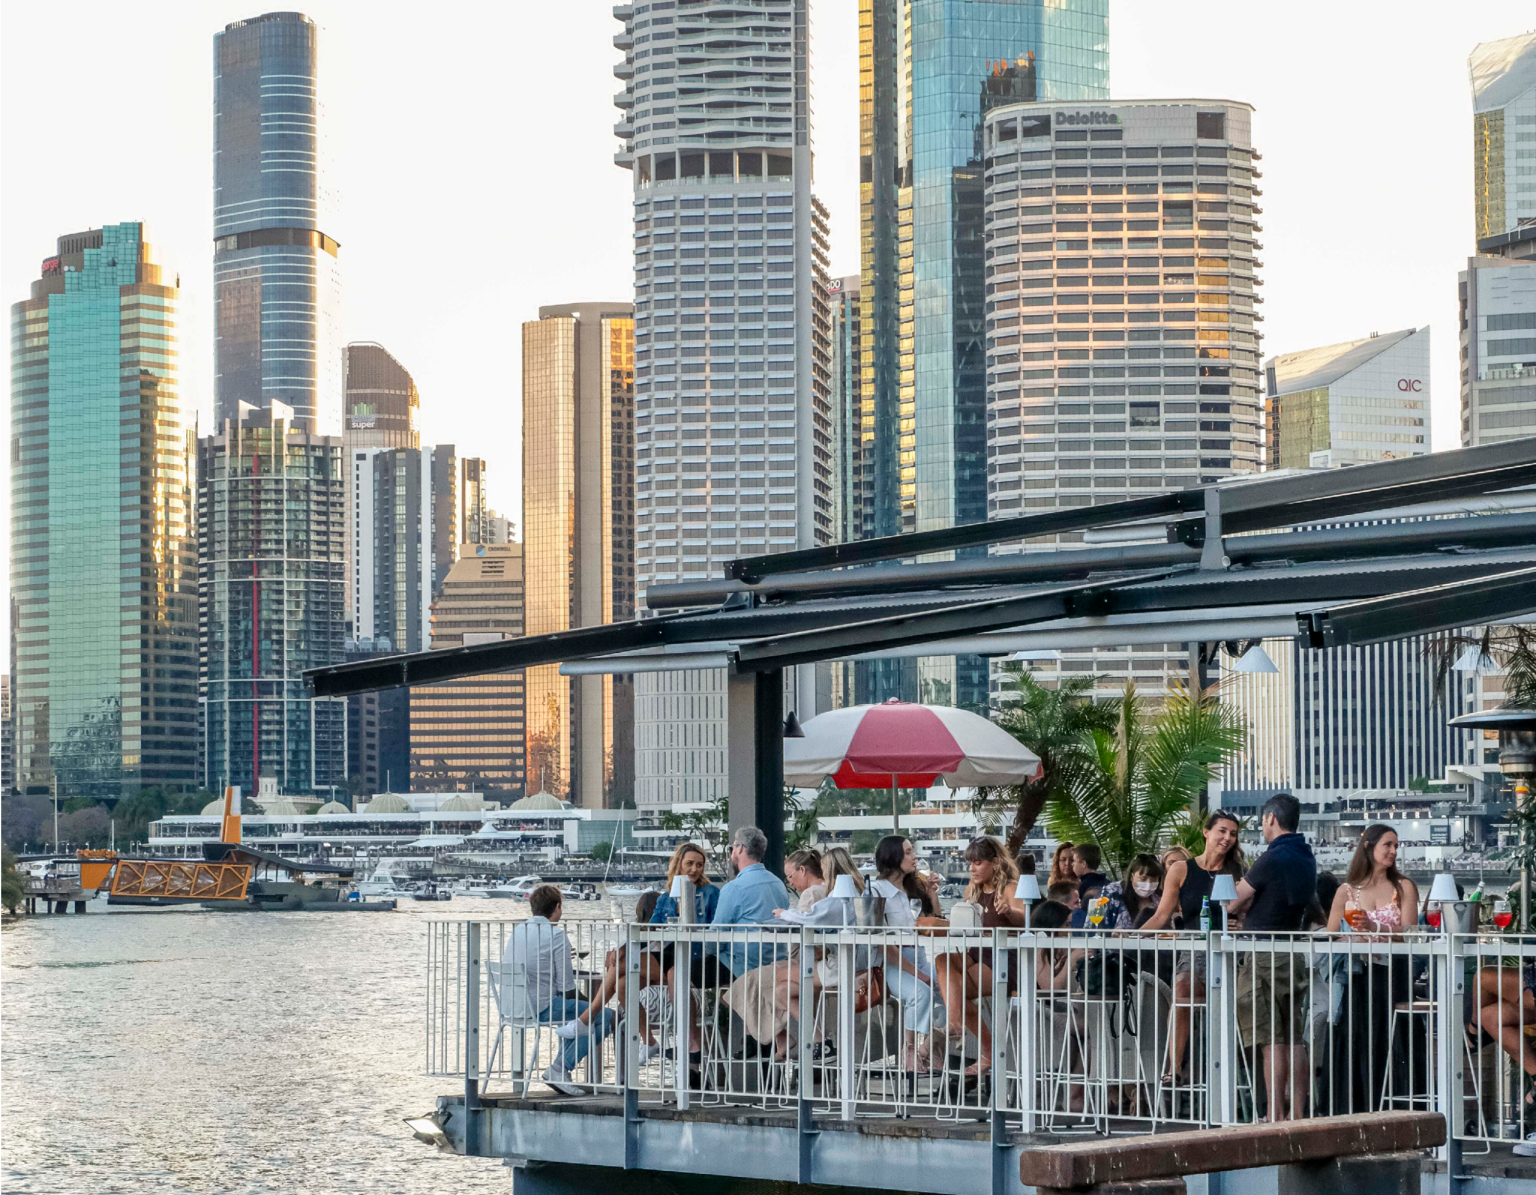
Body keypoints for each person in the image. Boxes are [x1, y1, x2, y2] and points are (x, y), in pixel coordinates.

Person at [1226, 793, 1316, 1121]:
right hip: (1292, 952)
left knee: (1271, 1039)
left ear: (1270, 819)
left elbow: (1232, 900)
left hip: (1264, 953)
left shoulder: (1273, 857)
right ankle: (1297, 1113)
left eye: (1264, 821)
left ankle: (1274, 1113)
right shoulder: (1306, 855)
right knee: (1294, 1036)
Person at [1141, 811, 1245, 1081]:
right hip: (1191, 948)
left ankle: (1215, 1069)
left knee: (1192, 993)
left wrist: (1241, 926)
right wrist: (1130, 937)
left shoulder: (1236, 871)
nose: (1227, 838)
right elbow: (1161, 915)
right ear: (1206, 832)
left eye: (1232, 834)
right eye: (1222, 831)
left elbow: (1246, 914)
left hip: (1223, 949)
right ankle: (1175, 1068)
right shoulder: (1181, 869)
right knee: (1182, 990)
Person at [504, 884, 611, 1095]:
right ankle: (561, 1068)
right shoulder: (555, 936)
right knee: (603, 1015)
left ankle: (559, 1069)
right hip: (540, 1008)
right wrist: (592, 1004)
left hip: (512, 1006)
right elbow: (567, 989)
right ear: (558, 907)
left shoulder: (518, 930)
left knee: (579, 1015)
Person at [934, 836, 1026, 1076]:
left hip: (1002, 959)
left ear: (995, 863)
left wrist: (1009, 912)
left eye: (977, 863)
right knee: (942, 959)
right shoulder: (971, 890)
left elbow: (1025, 920)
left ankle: (963, 1032)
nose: (972, 869)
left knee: (956, 992)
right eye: (970, 863)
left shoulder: (1009, 887)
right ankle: (960, 1027)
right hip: (974, 954)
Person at [712, 826, 792, 977]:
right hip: (776, 963)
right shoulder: (778, 884)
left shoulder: (733, 888)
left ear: (740, 848)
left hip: (743, 965)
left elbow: (716, 934)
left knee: (680, 972)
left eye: (733, 848)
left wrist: (699, 946)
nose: (731, 855)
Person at [1098, 854, 1164, 931]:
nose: (1148, 883)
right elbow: (1096, 927)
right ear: (1131, 876)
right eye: (1143, 879)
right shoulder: (1111, 893)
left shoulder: (1161, 898)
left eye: (1153, 880)